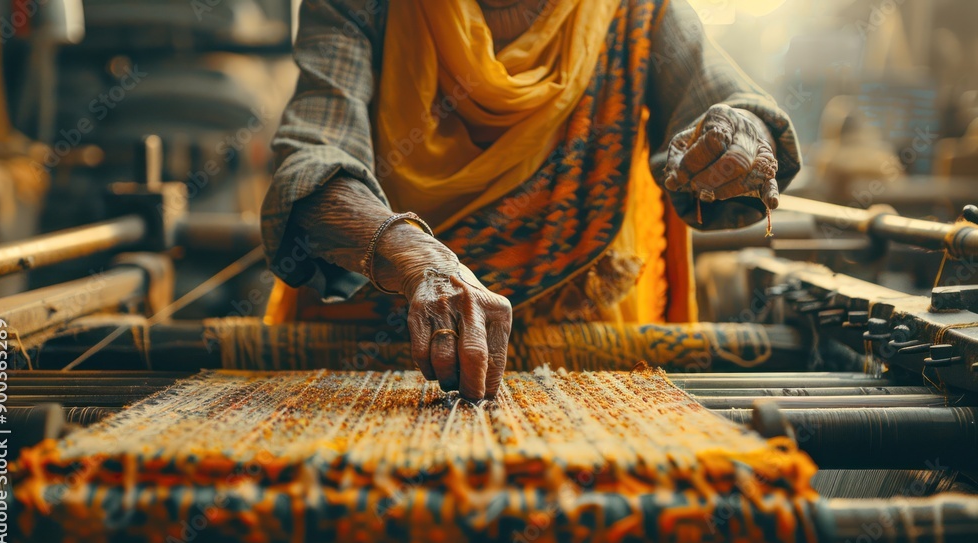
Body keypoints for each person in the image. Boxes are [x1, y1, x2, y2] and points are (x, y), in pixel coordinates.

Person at [260, 0, 801, 402]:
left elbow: (720, 103)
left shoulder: (636, 10)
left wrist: (740, 140)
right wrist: (421, 262)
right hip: (391, 349)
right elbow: (311, 162)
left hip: (590, 365)